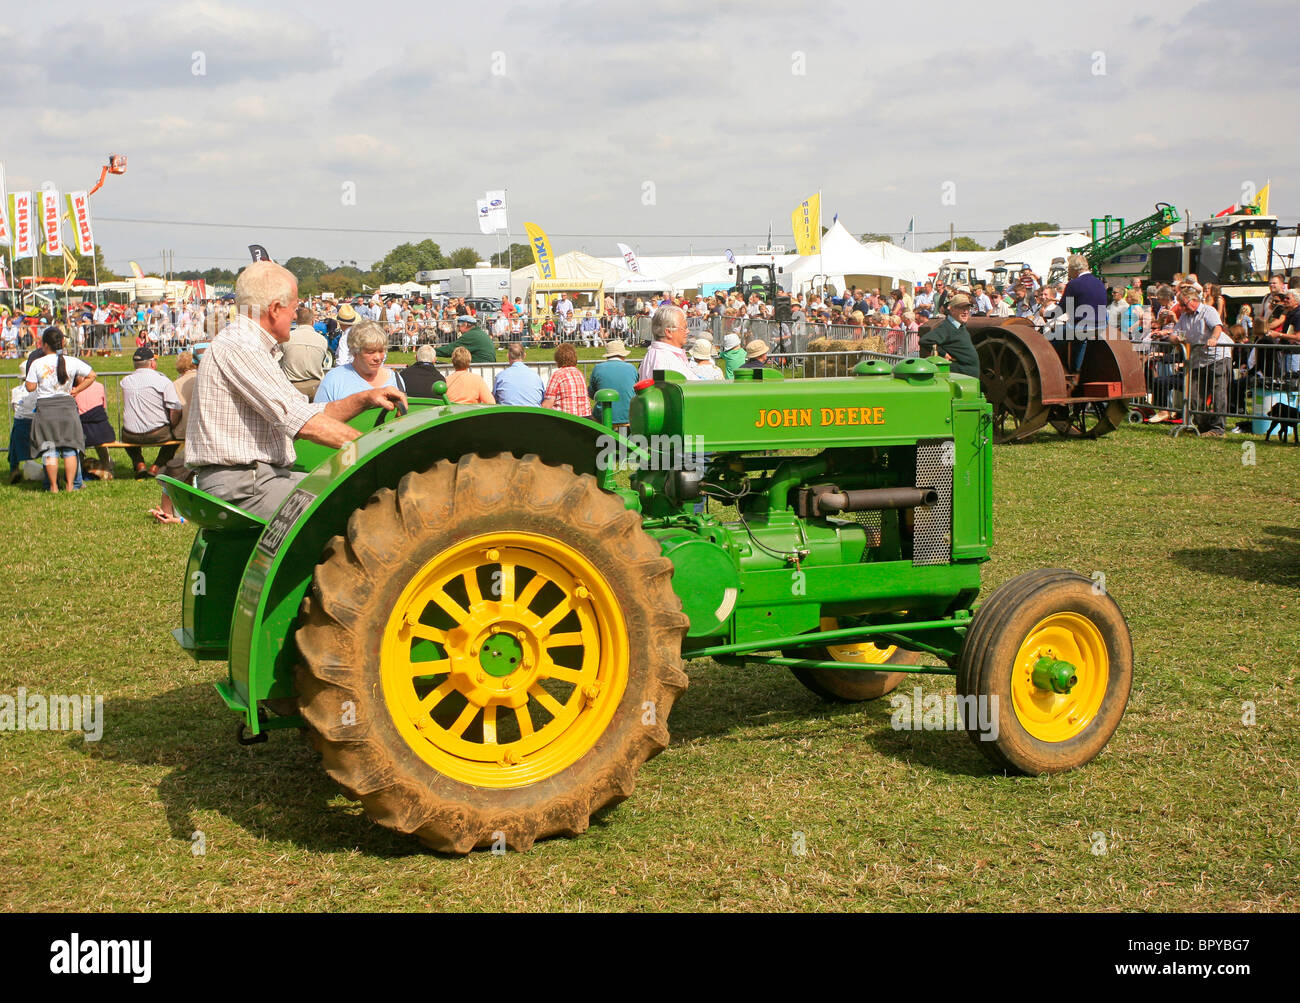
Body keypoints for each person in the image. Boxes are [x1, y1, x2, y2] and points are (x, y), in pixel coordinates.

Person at [186, 262, 405, 519]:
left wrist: (365, 398)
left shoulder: (247, 344)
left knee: (349, 491)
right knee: (362, 505)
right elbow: (303, 423)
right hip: (246, 486)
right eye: (294, 307)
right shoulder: (242, 347)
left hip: (257, 480)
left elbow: (305, 413)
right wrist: (381, 452)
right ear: (275, 309)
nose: (295, 315)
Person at [25, 327, 96, 493]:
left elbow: (30, 387)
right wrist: (77, 390)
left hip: (46, 409)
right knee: (70, 448)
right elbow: (92, 375)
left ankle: (53, 486)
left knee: (50, 448)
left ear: (44, 344)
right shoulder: (71, 361)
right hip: (67, 408)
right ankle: (71, 486)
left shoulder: (37, 363)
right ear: (62, 343)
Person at [1169, 285, 1227, 436]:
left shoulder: (1209, 311)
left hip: (1217, 357)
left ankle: (1218, 429)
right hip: (1197, 359)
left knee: (1218, 394)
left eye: (1183, 304)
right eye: (1180, 304)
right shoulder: (1184, 317)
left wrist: (1213, 338)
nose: (1181, 308)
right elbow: (1176, 334)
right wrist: (1175, 338)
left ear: (1193, 300)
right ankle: (1203, 427)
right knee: (1194, 395)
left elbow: (1217, 327)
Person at [120, 346, 184, 478]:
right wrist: (173, 424)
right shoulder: (163, 381)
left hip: (130, 434)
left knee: (124, 432)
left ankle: (139, 464)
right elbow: (176, 407)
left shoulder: (125, 382)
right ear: (152, 363)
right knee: (176, 437)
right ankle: (157, 466)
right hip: (157, 433)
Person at [315, 321, 402, 402]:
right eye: (370, 352)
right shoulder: (334, 380)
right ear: (355, 351)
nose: (378, 358)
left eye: (381, 351)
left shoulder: (395, 379)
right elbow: (320, 415)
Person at [918, 294, 979, 378]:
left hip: (969, 378)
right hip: (960, 378)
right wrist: (943, 353)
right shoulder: (947, 327)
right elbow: (925, 340)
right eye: (962, 308)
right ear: (952, 310)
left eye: (968, 308)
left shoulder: (960, 326)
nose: (966, 312)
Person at [587, 340, 638, 431]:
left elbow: (592, 394)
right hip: (629, 415)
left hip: (602, 416)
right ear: (623, 355)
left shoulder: (598, 368)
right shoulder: (632, 368)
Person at [639, 305, 699, 381]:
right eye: (684, 328)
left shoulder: (656, 353)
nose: (688, 331)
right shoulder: (665, 360)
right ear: (669, 332)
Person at [280, 305, 328, 400]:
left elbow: (279, 360)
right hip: (316, 387)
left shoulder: (287, 338)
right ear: (312, 321)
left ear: (296, 320)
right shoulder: (322, 340)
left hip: (293, 387)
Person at [75, 377, 116, 480]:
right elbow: (103, 406)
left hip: (81, 432)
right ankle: (107, 465)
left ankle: (77, 470)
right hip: (102, 433)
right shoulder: (99, 386)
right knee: (100, 442)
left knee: (78, 445)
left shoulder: (73, 388)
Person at [542, 342, 591, 417]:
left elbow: (548, 403)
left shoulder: (558, 375)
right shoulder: (579, 373)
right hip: (585, 418)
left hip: (566, 419)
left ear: (558, 358)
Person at [493, 341, 545, 405]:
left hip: (508, 413)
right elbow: (542, 398)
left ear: (508, 356)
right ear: (524, 355)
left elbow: (494, 398)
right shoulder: (536, 376)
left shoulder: (501, 376)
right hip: (532, 413)